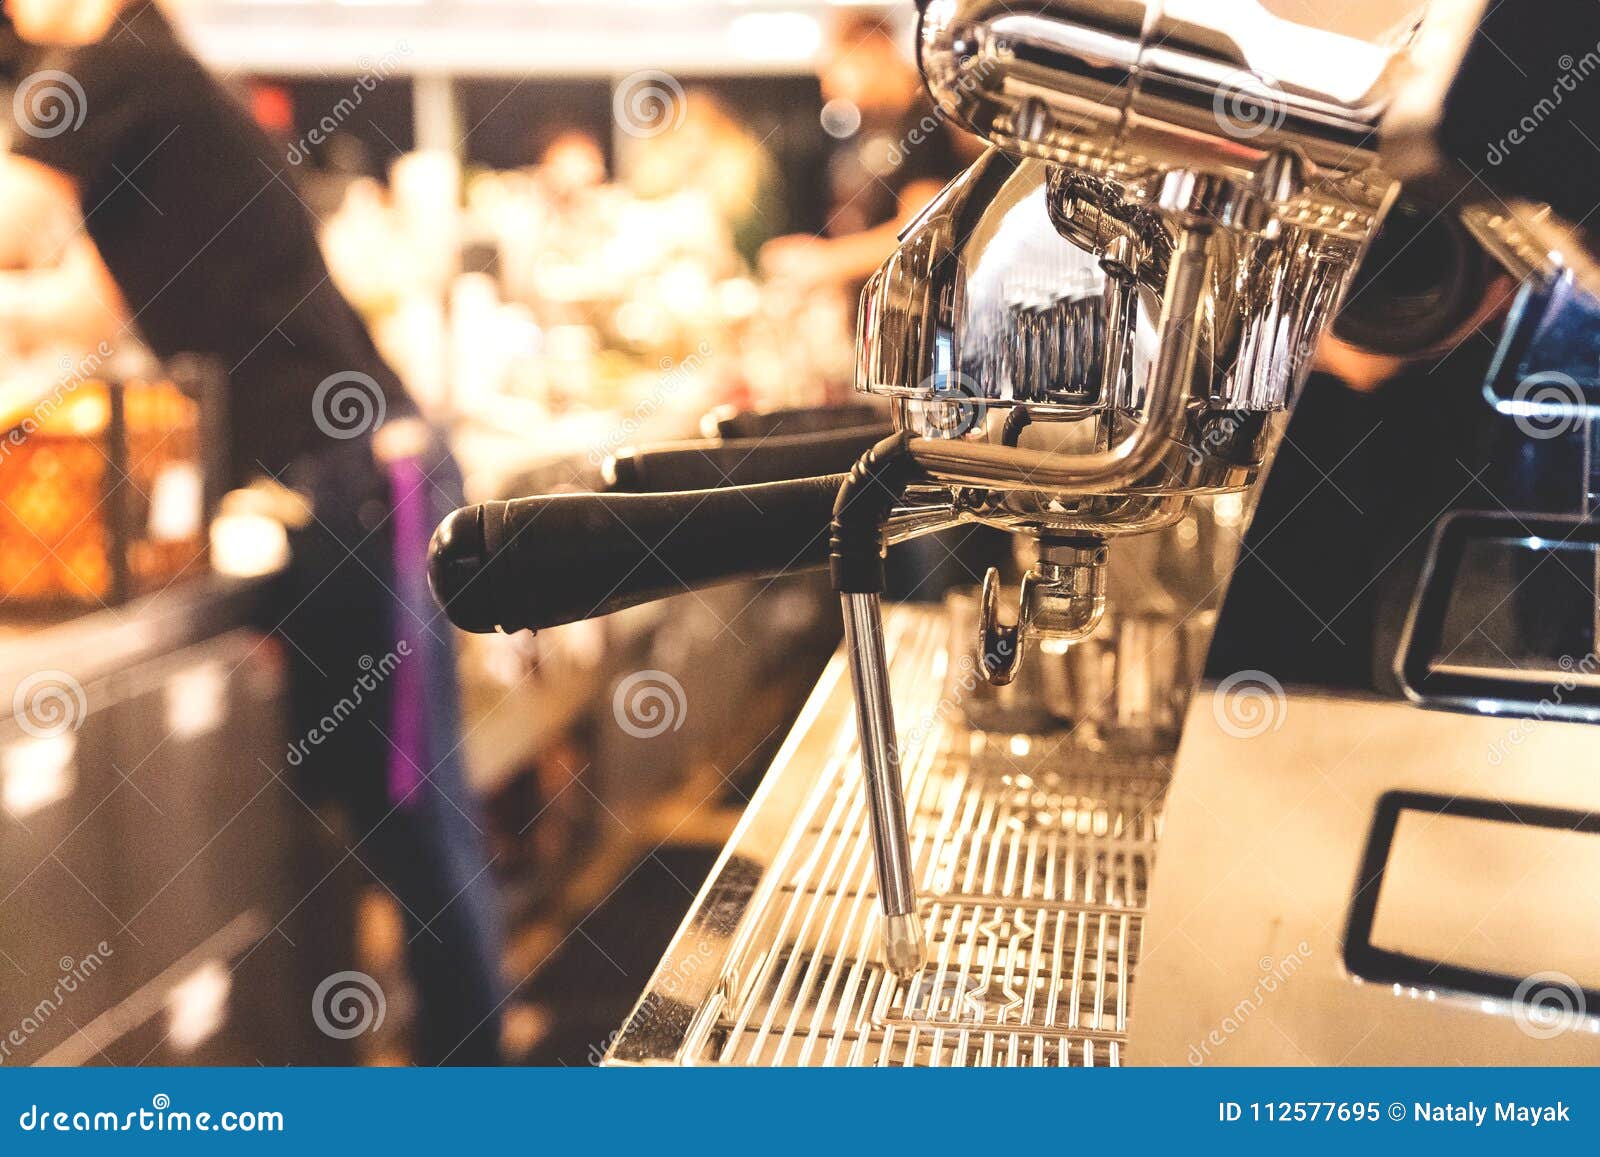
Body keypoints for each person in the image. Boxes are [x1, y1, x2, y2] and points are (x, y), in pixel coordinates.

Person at [0, 0, 503, 1063]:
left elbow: (14, 223)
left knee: (411, 817)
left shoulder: (112, 64)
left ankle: (481, 1092)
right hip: (334, 483)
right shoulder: (167, 92)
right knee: (342, 816)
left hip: (352, 482)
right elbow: (82, 307)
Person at [760, 10, 976, 294]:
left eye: (837, 66)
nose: (828, 86)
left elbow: (921, 232)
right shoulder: (874, 130)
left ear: (872, 51)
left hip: (917, 303)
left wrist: (827, 261)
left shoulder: (927, 122)